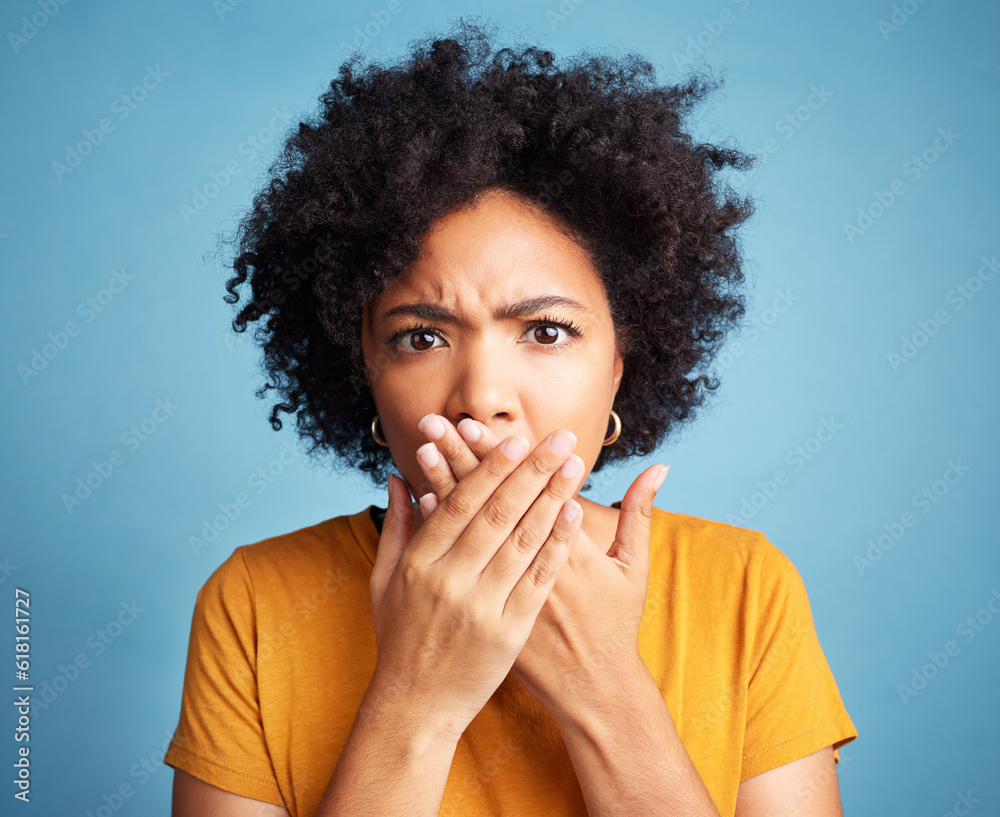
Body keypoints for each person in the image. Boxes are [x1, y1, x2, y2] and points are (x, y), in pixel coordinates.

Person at [164, 18, 857, 817]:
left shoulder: (743, 589)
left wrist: (601, 680)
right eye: (421, 336)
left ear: (622, 362)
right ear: (364, 366)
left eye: (546, 331)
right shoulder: (256, 600)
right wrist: (417, 696)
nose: (481, 394)